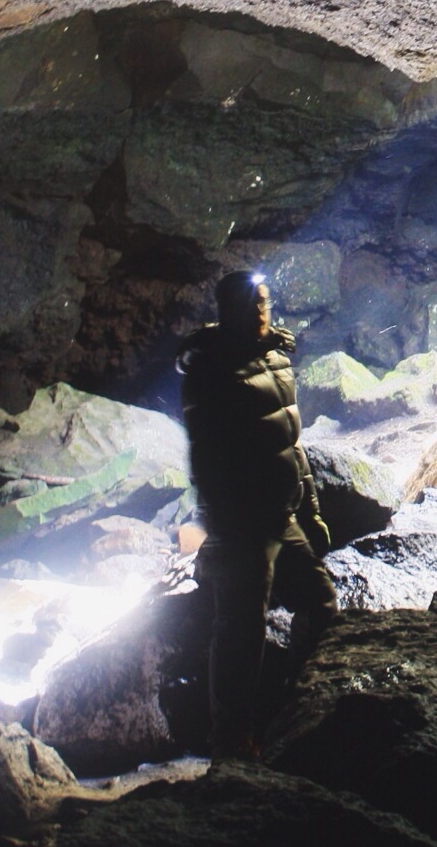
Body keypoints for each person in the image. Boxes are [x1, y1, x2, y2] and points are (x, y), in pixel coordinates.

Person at [176, 269, 337, 756]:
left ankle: (293, 707)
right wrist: (222, 528)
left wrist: (310, 509)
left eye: (266, 302)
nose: (263, 311)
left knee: (321, 601)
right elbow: (205, 458)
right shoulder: (210, 371)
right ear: (230, 312)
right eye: (254, 304)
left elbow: (292, 443)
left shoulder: (277, 359)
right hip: (243, 525)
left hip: (280, 515)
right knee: (241, 630)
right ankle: (231, 739)